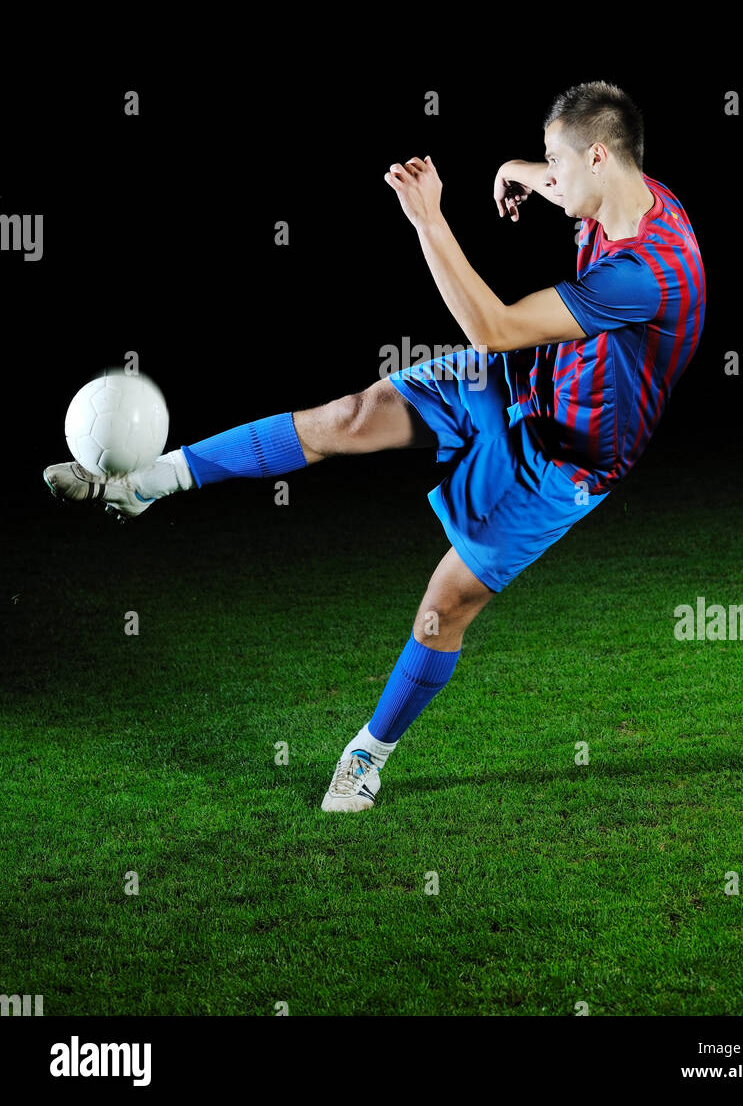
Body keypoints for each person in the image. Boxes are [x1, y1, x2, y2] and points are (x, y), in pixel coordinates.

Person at [44, 81, 706, 813]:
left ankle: (367, 755)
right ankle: (143, 484)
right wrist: (514, 171)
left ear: (599, 157)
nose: (549, 176)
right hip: (521, 381)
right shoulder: (623, 190)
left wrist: (429, 219)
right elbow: (558, 188)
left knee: (444, 606)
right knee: (351, 415)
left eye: (556, 161)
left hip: (563, 459)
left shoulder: (649, 271)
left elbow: (493, 328)